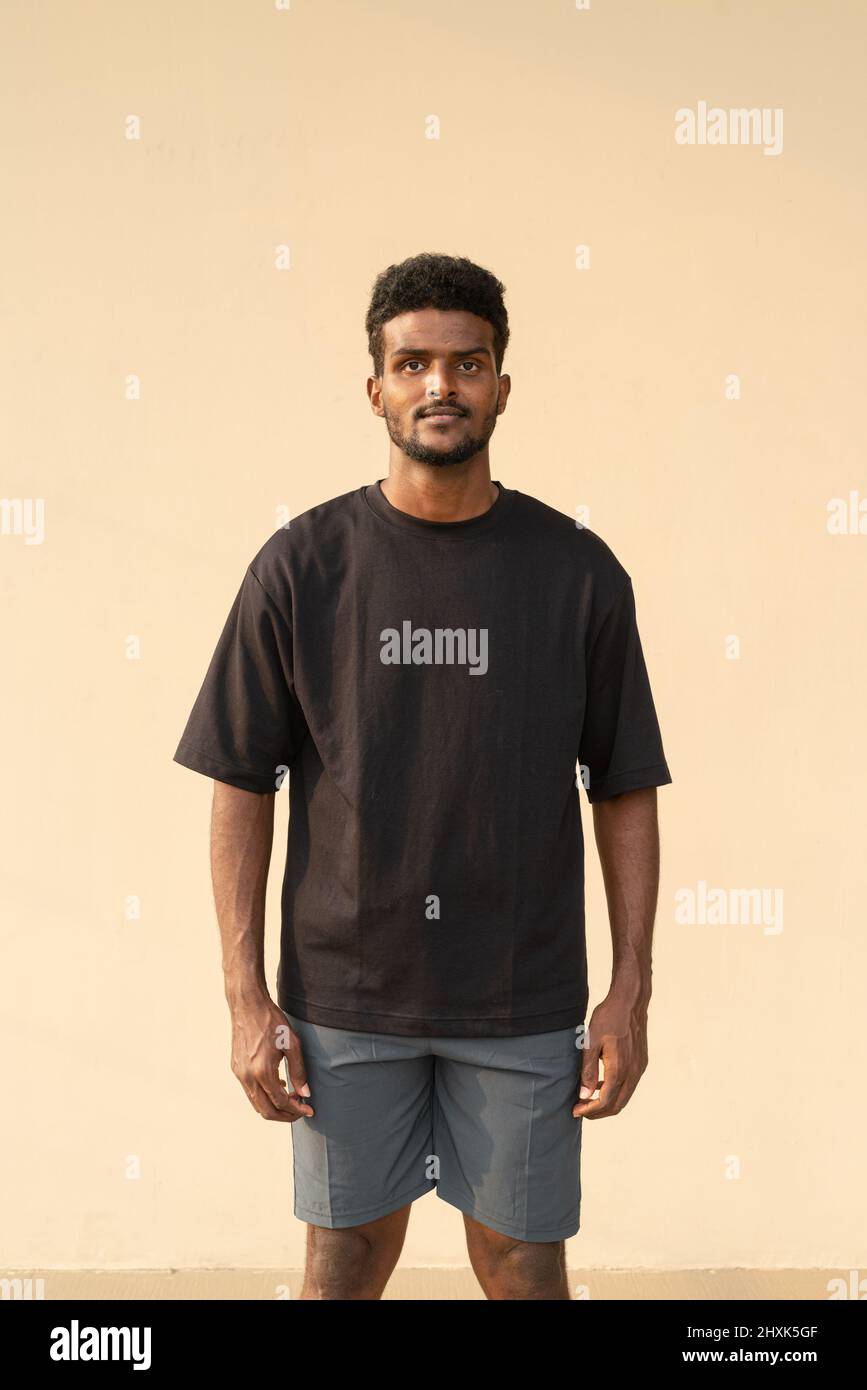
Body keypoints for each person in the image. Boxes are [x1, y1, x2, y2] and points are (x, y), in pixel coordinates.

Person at [173, 252, 672, 1300]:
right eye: (412, 364)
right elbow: (239, 785)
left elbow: (623, 784)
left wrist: (629, 989)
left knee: (527, 1269)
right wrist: (243, 998)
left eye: (466, 362)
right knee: (343, 1265)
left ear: (500, 384)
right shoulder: (302, 567)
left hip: (522, 992)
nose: (439, 385)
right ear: (377, 389)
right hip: (348, 993)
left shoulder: (576, 571)